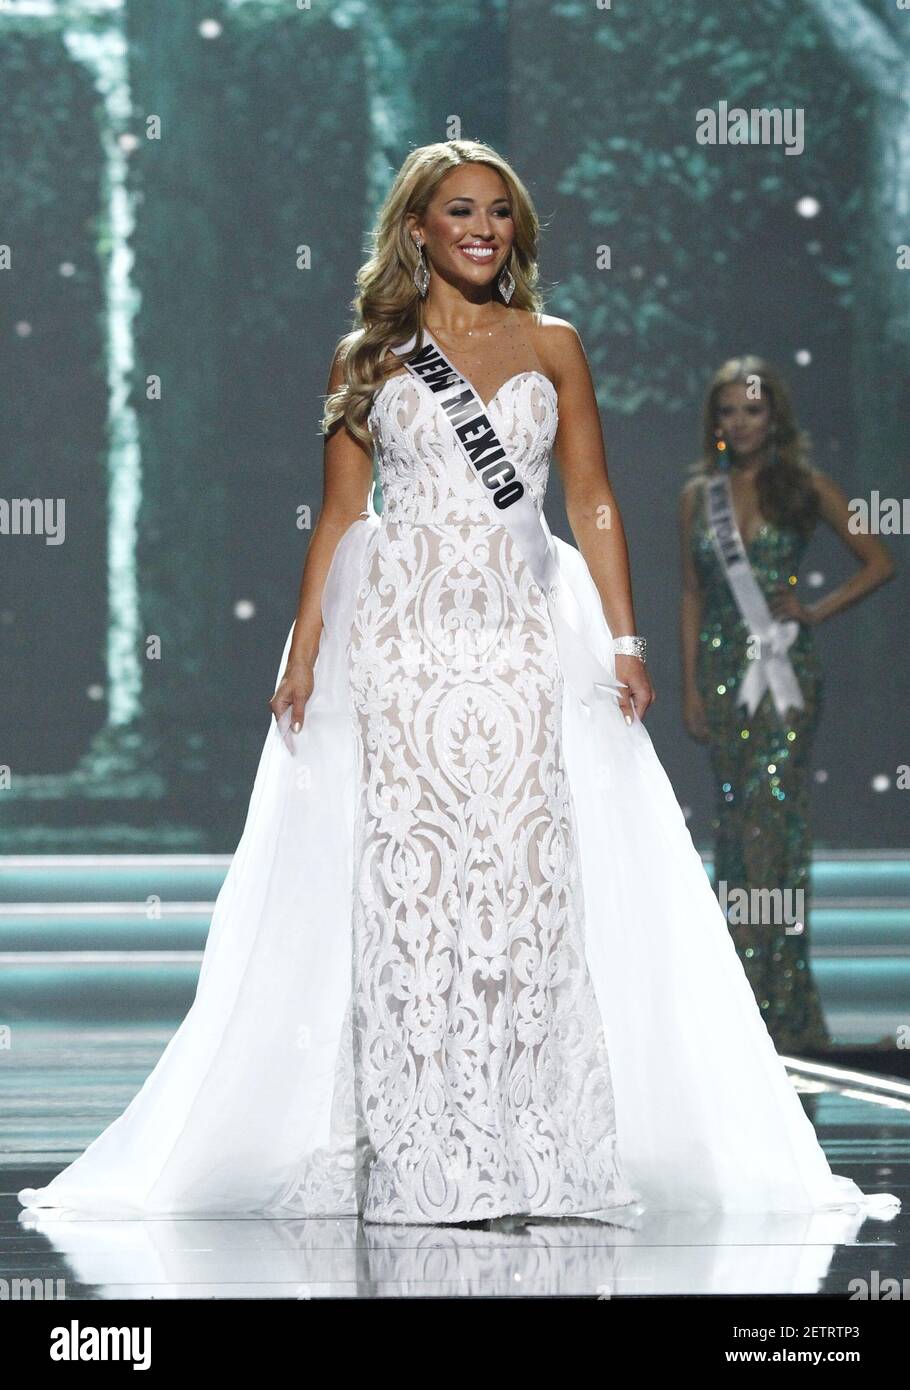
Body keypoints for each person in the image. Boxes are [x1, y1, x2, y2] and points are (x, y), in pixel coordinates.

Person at [17, 141, 899, 1228]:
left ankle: (536, 1154)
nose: (482, 228)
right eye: (459, 211)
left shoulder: (553, 344)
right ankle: (423, 1160)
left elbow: (595, 499)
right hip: (404, 644)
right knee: (414, 889)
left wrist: (625, 641)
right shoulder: (368, 359)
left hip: (523, 640)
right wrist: (301, 653)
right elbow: (341, 515)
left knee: (524, 886)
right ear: (418, 229)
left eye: (498, 212)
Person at [680, 359, 895, 1054]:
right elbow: (691, 594)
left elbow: (878, 559)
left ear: (775, 417)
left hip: (786, 678)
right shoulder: (698, 497)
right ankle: (742, 999)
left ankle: (781, 1003)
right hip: (719, 671)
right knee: (737, 825)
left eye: (753, 411)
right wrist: (686, 683)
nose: (740, 424)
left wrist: (813, 611)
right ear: (715, 422)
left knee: (775, 820)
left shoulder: (807, 486)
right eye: (728, 413)